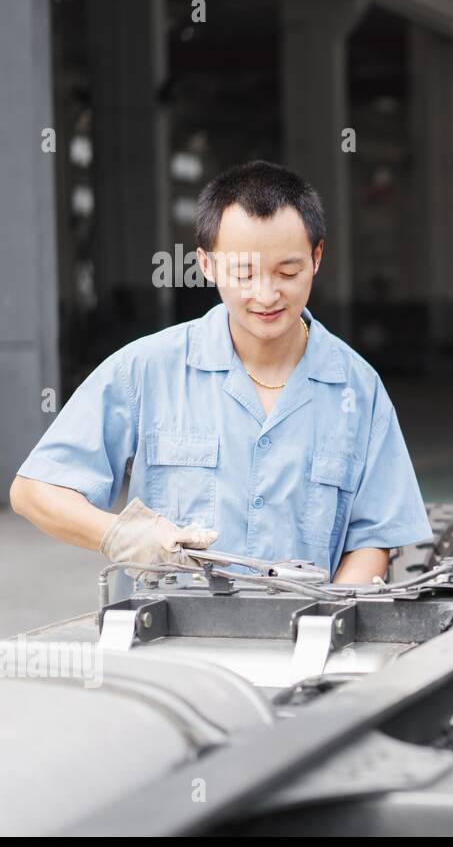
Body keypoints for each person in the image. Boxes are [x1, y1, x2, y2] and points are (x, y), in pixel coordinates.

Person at [9, 160, 430, 588]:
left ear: (316, 257)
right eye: (243, 273)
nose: (266, 295)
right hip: (167, 647)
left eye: (287, 272)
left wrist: (329, 619)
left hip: (305, 643)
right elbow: (34, 490)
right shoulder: (147, 370)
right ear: (206, 265)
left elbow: (373, 538)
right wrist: (124, 535)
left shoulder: (358, 389)